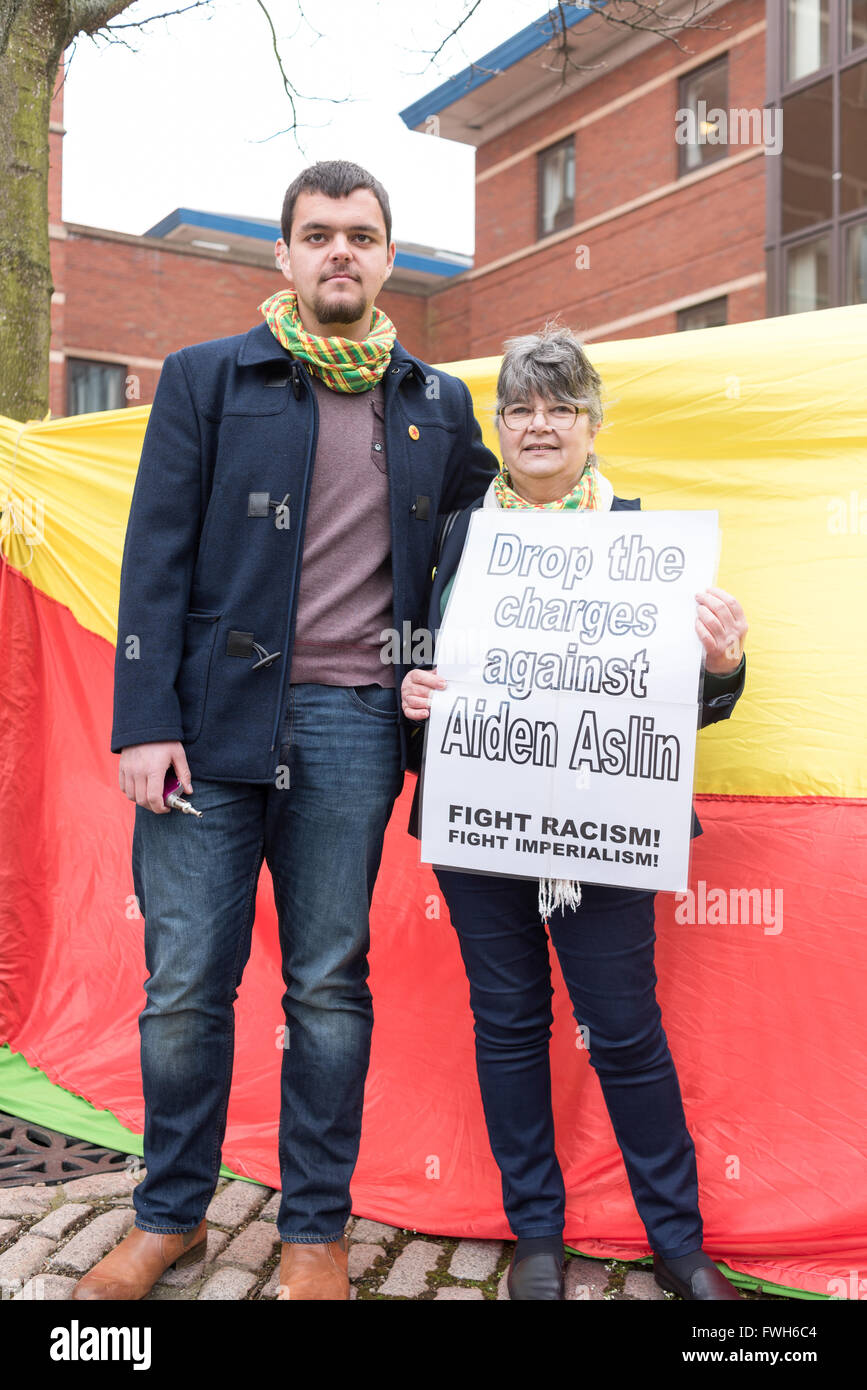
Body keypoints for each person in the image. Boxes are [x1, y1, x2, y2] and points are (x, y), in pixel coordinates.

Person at [76, 160, 499, 1302]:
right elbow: (153, 559)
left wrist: (619, 555)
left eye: (361, 234)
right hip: (207, 730)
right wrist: (142, 720)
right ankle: (169, 1215)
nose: (341, 253)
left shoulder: (436, 404)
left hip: (358, 726)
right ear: (284, 255)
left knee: (325, 985)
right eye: (319, 234)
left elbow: (499, 543)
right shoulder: (207, 379)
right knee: (183, 987)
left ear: (389, 254)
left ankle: (314, 1230)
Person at [402, 323, 748, 1302]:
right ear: (500, 427)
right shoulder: (459, 532)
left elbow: (691, 700)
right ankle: (537, 1237)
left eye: (561, 406)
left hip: (604, 829)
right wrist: (413, 692)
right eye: (521, 407)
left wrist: (721, 662)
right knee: (508, 1023)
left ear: (593, 424)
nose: (540, 423)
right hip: (481, 826)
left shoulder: (650, 541)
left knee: (626, 1030)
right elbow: (411, 651)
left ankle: (680, 1246)